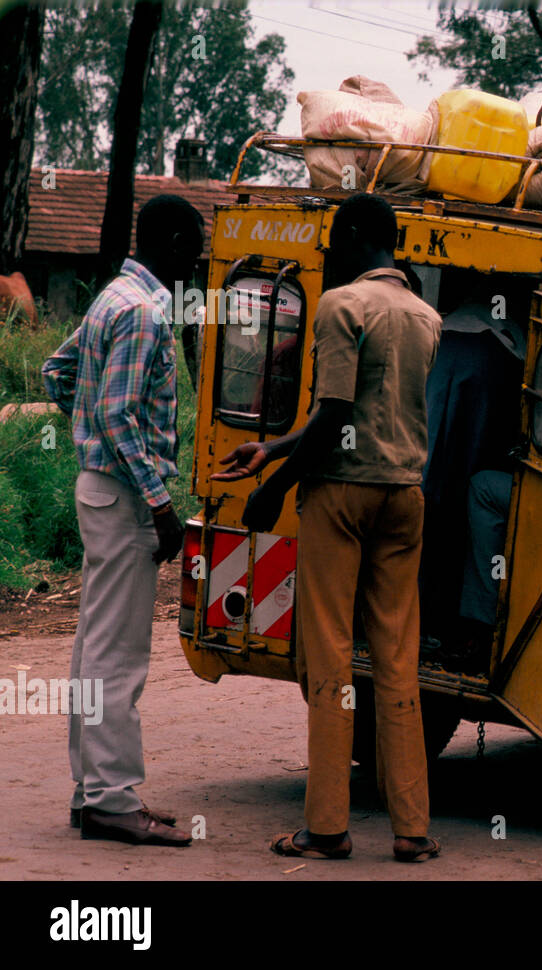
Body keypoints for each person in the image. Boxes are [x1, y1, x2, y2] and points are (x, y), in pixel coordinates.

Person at [212, 194, 441, 862]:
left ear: (357, 237)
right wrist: (274, 449)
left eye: (334, 240)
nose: (328, 253)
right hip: (404, 498)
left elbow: (337, 412)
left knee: (330, 658)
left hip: (341, 496)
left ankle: (327, 828)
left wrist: (273, 489)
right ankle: (412, 830)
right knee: (399, 661)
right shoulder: (426, 318)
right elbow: (356, 413)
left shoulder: (344, 306)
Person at [42, 194, 204, 847]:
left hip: (98, 487)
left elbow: (60, 372)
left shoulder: (113, 298)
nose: (194, 263)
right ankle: (111, 801)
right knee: (119, 651)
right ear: (168, 243)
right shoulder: (143, 313)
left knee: (94, 644)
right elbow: (118, 417)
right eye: (191, 249)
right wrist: (160, 506)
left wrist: (85, 431)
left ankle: (93, 793)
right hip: (125, 494)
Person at [420, 271, 528, 672]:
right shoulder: (506, 347)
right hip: (472, 456)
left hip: (422, 467)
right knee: (464, 504)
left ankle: (424, 622)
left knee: (430, 505)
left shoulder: (440, 333)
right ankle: (460, 626)